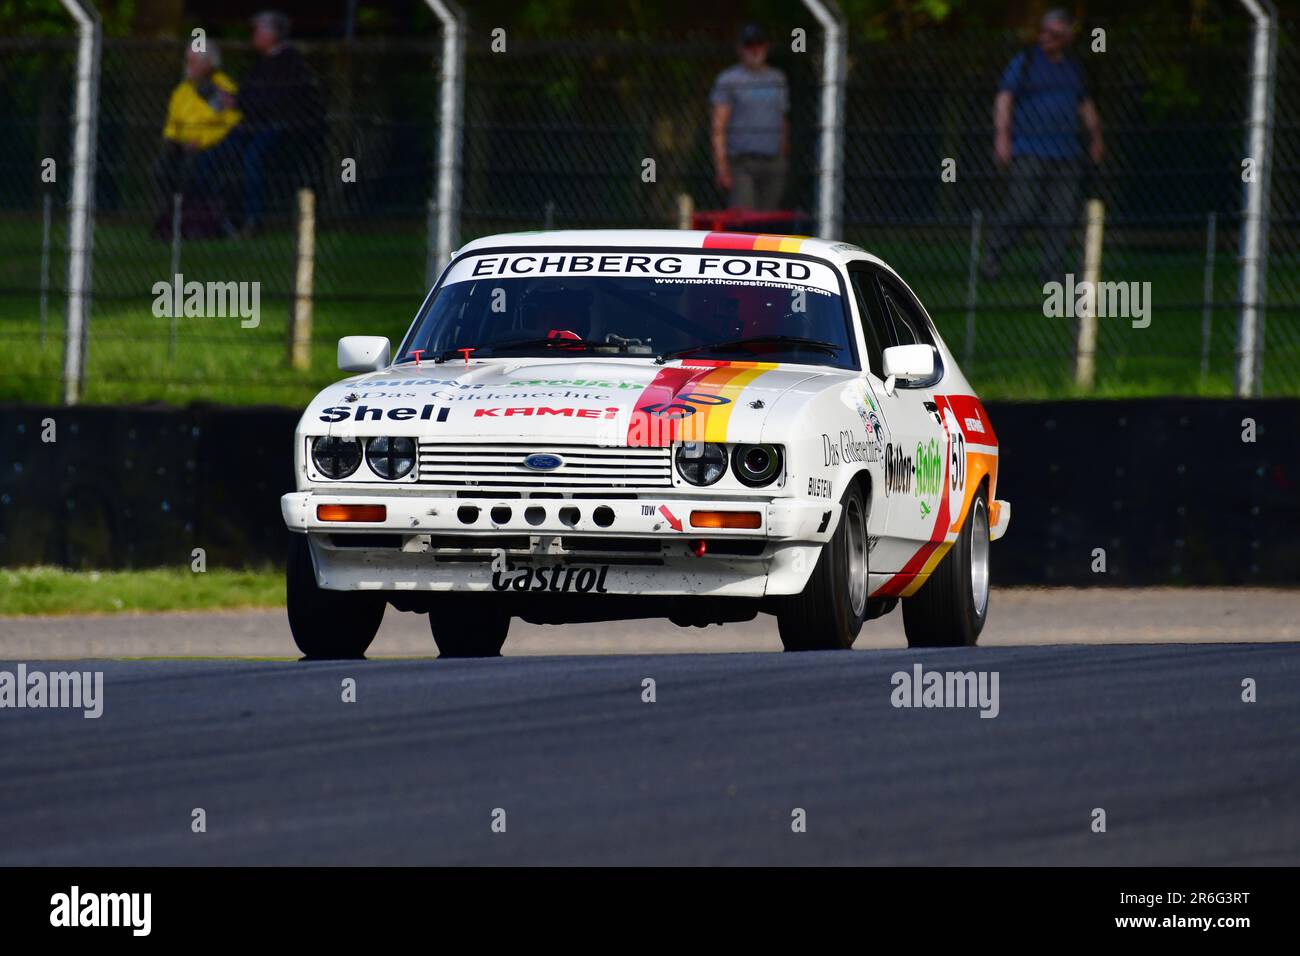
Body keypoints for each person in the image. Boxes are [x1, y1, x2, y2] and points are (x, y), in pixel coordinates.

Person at [982, 8, 1104, 282]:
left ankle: (1052, 270)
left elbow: (1085, 104)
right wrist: (1002, 136)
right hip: (1028, 148)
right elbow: (1004, 98)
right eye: (1044, 31)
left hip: (1067, 152)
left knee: (1062, 213)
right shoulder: (1025, 62)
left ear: (1067, 37)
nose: (1046, 37)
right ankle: (993, 256)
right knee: (1022, 206)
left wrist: (1096, 137)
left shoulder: (1073, 67)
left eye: (1055, 34)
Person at [232, 10, 323, 234]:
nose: (253, 35)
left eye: (258, 31)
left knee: (253, 157)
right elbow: (245, 97)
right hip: (255, 126)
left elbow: (273, 104)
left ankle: (254, 218)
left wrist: (248, 103)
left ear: (272, 34)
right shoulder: (260, 64)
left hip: (285, 129)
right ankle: (210, 215)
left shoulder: (291, 64)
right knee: (220, 151)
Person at [153, 43, 242, 237]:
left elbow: (228, 123)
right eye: (187, 61)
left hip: (210, 146)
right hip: (182, 144)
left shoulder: (223, 89)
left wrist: (199, 141)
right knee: (162, 167)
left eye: (193, 61)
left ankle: (198, 220)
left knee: (193, 169)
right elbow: (172, 123)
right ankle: (170, 217)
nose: (187, 66)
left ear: (207, 64)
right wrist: (171, 140)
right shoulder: (182, 90)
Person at [710, 24, 789, 212]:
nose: (754, 50)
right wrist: (721, 167)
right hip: (742, 163)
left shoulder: (777, 79)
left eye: (759, 44)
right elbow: (718, 125)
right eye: (749, 45)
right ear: (740, 49)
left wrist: (784, 156)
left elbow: (783, 120)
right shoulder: (729, 80)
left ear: (766, 47)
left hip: (773, 161)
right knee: (744, 221)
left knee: (770, 224)